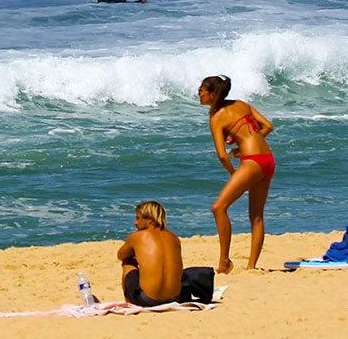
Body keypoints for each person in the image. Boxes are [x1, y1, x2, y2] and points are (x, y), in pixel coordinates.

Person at [198, 75, 275, 273]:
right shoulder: (241, 104)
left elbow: (222, 155)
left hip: (252, 163)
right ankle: (251, 266)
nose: (198, 93)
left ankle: (225, 261)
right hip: (267, 159)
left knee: (218, 208)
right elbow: (267, 126)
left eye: (202, 90)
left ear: (213, 94)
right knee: (256, 216)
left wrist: (234, 172)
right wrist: (243, 147)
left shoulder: (216, 118)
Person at [116, 200, 184, 306]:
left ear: (150, 221)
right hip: (174, 298)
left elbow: (120, 255)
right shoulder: (174, 238)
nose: (135, 223)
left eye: (138, 218)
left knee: (127, 261)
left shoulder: (137, 236)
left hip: (147, 300)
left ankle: (129, 303)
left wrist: (136, 255)